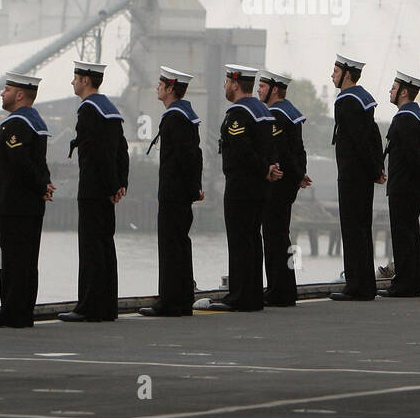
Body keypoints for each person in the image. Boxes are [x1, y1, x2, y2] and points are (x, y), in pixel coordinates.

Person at [197, 65, 277, 312]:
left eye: (226, 82)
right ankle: (252, 294)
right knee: (253, 239)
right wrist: (270, 167)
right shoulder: (263, 110)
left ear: (234, 83)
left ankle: (239, 296)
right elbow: (270, 145)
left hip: (242, 185)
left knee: (240, 239)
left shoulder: (239, 113)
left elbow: (241, 149)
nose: (224, 87)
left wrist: (263, 168)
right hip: (260, 187)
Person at [0, 71, 54, 328]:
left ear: (20, 95)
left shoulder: (16, 124)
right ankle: (23, 310)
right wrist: (44, 185)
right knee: (27, 260)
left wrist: (39, 184)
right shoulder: (37, 121)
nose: (2, 94)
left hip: (15, 204)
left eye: (7, 89)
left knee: (13, 260)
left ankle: (11, 311)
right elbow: (39, 162)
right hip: (31, 204)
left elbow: (20, 162)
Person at [59, 61, 129, 323]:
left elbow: (98, 154)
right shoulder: (110, 109)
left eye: (75, 77)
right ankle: (106, 306)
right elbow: (121, 150)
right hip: (107, 188)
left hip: (92, 188)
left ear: (86, 80)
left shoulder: (89, 110)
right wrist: (120, 183)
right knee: (105, 246)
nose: (73, 82)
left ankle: (88, 306)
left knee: (90, 248)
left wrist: (111, 185)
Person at [140, 67, 203, 317]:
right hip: (182, 191)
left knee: (170, 245)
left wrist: (184, 187)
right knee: (180, 243)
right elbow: (195, 155)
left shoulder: (174, 117)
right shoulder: (186, 115)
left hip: (173, 192)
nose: (157, 88)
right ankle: (182, 297)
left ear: (169, 89)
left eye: (160, 84)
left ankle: (170, 300)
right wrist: (195, 186)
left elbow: (180, 158)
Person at [329, 54, 385, 301]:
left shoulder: (347, 101)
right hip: (363, 175)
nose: (332, 76)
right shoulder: (364, 100)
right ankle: (366, 284)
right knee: (363, 228)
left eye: (335, 72)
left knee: (352, 229)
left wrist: (372, 169)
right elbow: (373, 136)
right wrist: (377, 169)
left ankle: (356, 286)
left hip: (352, 174)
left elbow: (358, 140)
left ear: (347, 75)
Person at [258, 70, 309, 307]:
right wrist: (300, 173)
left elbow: (282, 151)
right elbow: (299, 149)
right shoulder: (292, 112)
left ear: (274, 90)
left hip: (278, 182)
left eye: (262, 86)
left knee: (273, 236)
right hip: (290, 180)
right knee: (282, 235)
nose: (258, 90)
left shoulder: (276, 115)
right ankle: (287, 287)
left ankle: (279, 290)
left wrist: (292, 173)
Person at [381, 71, 420, 297]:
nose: (390, 91)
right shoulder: (416, 117)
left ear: (403, 92)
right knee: (410, 234)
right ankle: (410, 282)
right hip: (410, 185)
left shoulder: (405, 118)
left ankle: (404, 284)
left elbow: (412, 154)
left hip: (404, 186)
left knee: (403, 235)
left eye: (393, 88)